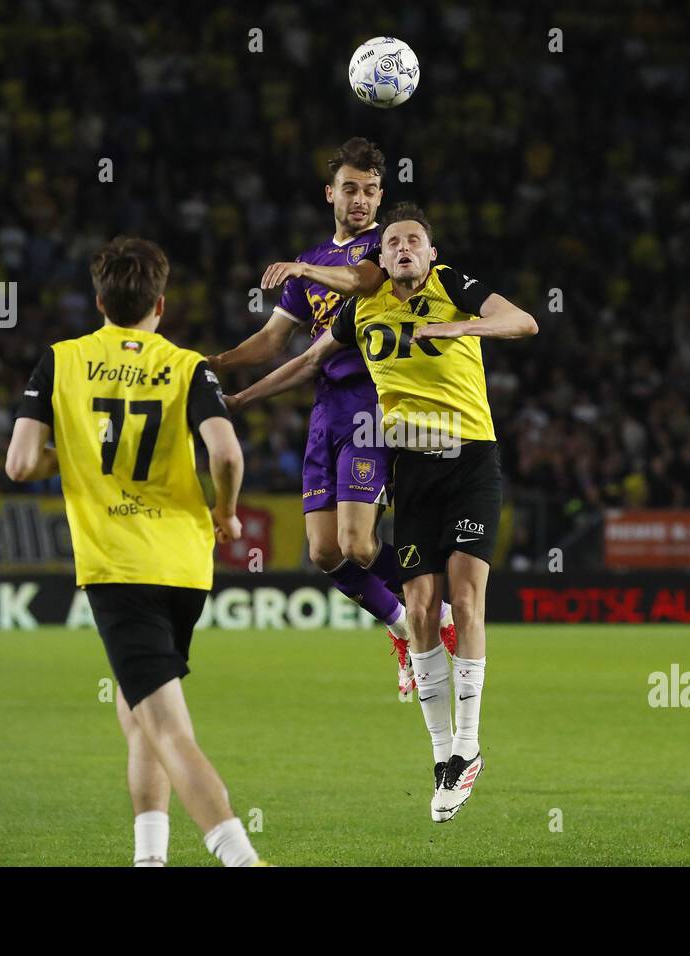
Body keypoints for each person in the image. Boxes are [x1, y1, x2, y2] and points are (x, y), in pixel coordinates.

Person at [227, 203, 538, 821]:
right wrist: (239, 396)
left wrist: (461, 329)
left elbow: (524, 323)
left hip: (470, 458)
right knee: (422, 609)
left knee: (466, 598)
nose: (401, 247)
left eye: (413, 240)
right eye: (392, 241)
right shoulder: (363, 308)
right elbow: (308, 361)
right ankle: (443, 756)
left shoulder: (454, 286)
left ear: (430, 252)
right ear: (382, 255)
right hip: (414, 469)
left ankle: (471, 745)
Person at [6, 237, 267, 867]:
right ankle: (149, 857)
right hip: (183, 565)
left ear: (99, 301)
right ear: (161, 305)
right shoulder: (185, 364)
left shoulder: (61, 360)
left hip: (119, 568)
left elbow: (18, 464)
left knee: (168, 726)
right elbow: (227, 453)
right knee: (141, 709)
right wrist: (227, 511)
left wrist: (80, 453)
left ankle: (240, 858)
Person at [210, 137, 454, 701]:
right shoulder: (315, 259)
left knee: (360, 546)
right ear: (330, 194)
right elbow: (274, 341)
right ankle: (404, 627)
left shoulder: (384, 248)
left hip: (373, 405)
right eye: (351, 189)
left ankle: (435, 613)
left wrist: (299, 267)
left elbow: (365, 283)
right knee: (323, 553)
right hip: (326, 411)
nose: (363, 199)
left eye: (371, 189)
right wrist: (218, 364)